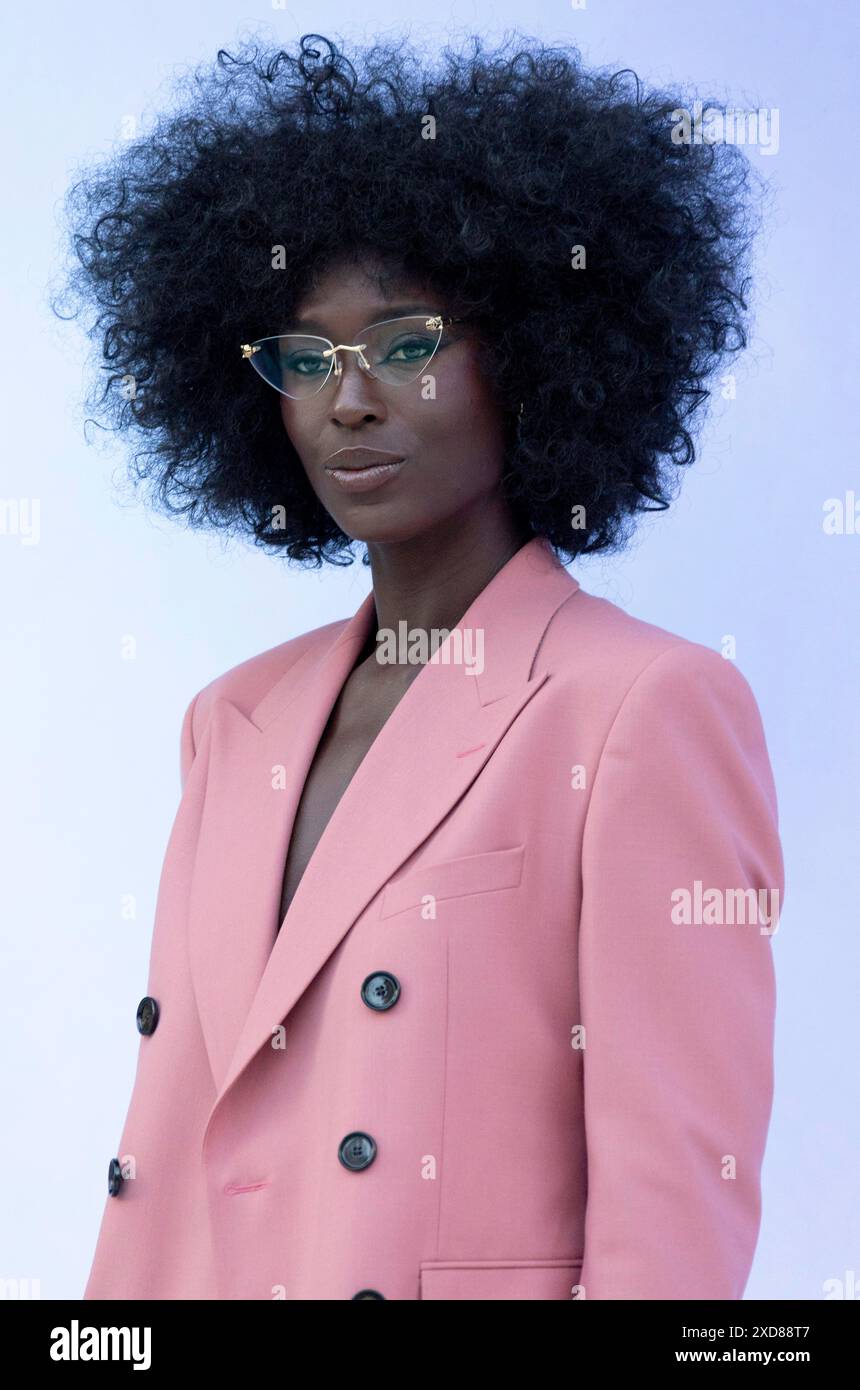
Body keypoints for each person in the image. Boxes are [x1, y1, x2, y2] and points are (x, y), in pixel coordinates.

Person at [58, 31, 782, 1300]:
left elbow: (674, 1204)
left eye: (403, 345)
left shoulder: (642, 709)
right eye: (304, 359)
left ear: (533, 357)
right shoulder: (230, 720)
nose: (346, 402)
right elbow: (171, 1155)